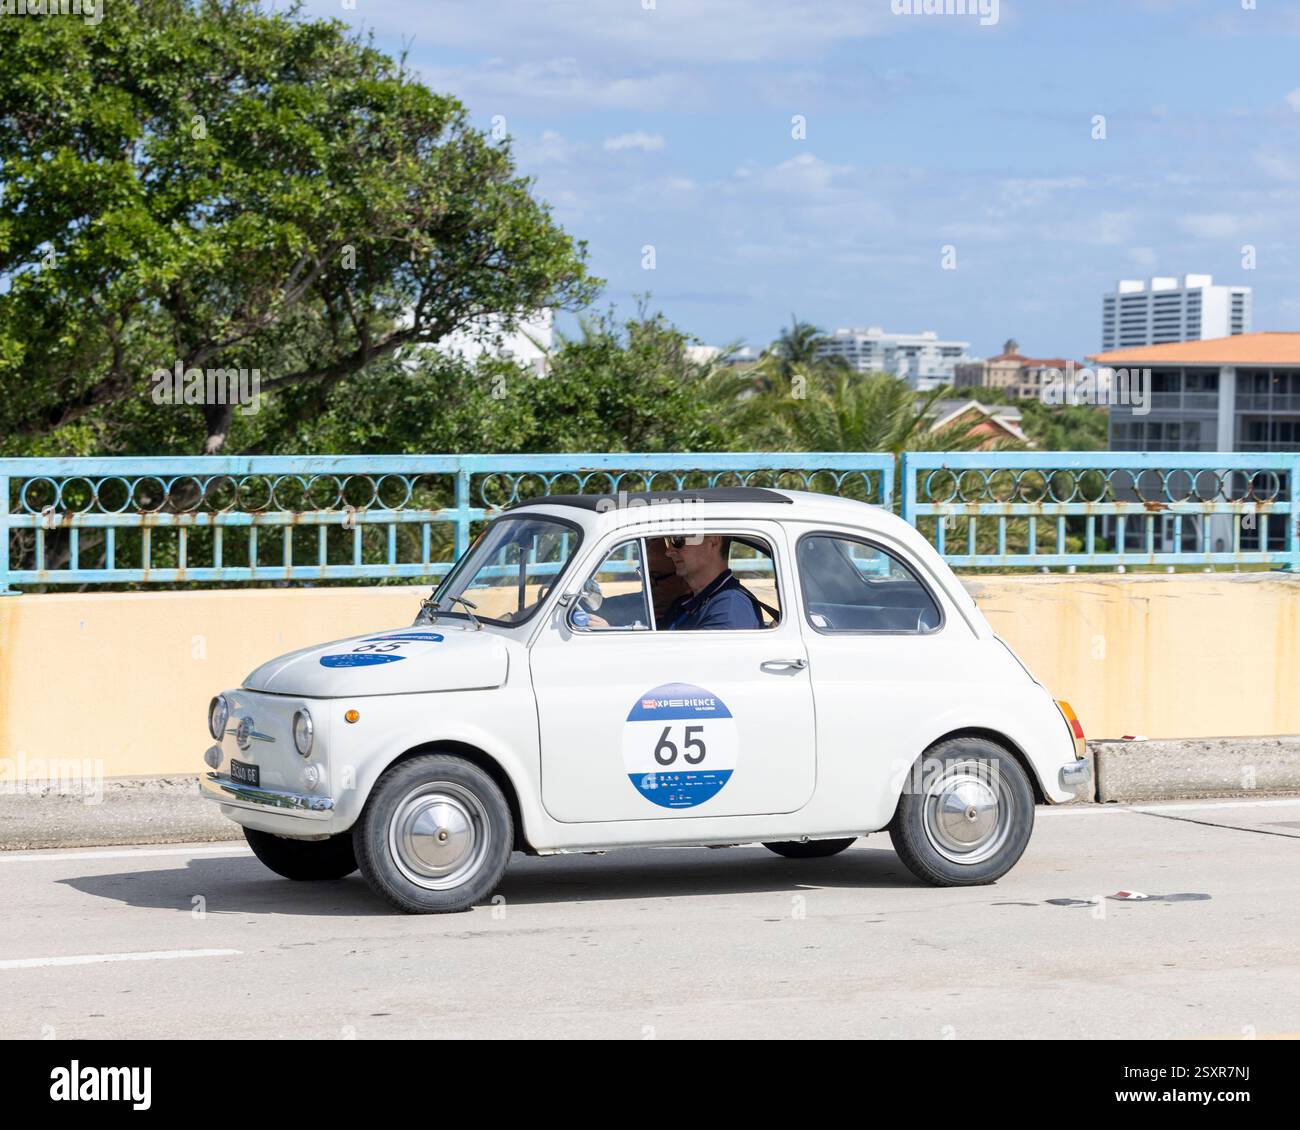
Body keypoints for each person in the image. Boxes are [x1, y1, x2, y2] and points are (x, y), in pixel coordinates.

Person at [661, 534, 762, 630]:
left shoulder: (730, 606)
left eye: (679, 540)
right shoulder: (682, 604)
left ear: (713, 539)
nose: (668, 552)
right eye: (668, 541)